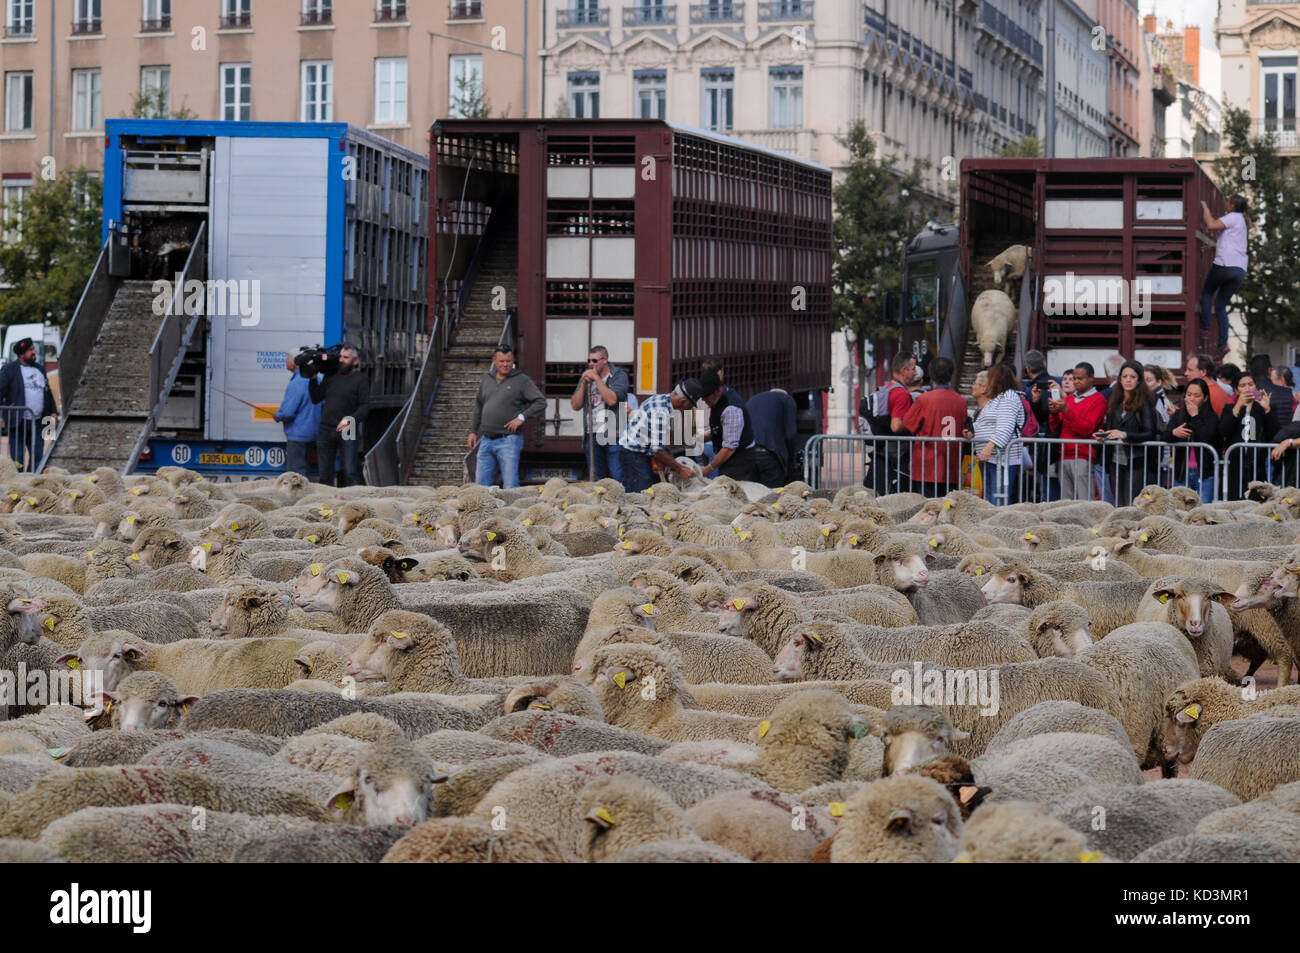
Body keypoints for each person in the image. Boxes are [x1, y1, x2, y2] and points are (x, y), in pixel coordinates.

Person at [466, 345, 545, 490]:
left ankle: (511, 512)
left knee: (510, 486)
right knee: (480, 487)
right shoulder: (486, 379)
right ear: (494, 361)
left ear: (513, 360)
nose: (505, 364)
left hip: (509, 440)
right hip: (486, 440)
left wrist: (521, 417)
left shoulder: (522, 380)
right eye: (502, 361)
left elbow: (541, 402)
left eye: (508, 361)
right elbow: (478, 405)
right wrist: (472, 431)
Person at [901, 356, 969, 498]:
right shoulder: (961, 401)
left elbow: (908, 424)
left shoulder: (924, 399)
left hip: (927, 465)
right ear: (951, 375)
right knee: (948, 505)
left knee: (927, 507)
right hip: (952, 465)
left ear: (931, 375)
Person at [618, 379, 700, 493]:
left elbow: (654, 440)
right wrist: (679, 468)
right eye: (690, 405)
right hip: (633, 454)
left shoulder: (660, 399)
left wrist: (669, 460)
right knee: (643, 494)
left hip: (634, 451)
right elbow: (656, 450)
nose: (689, 409)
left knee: (639, 490)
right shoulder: (661, 412)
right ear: (683, 401)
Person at [308, 345, 370, 487]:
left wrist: (350, 420)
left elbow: (365, 406)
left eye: (345, 357)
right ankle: (326, 506)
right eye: (340, 356)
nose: (341, 360)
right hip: (326, 428)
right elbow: (316, 398)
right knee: (324, 474)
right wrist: (312, 379)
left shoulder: (361, 379)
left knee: (350, 472)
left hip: (348, 429)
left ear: (355, 361)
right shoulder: (330, 376)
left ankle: (354, 505)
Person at [1098, 359, 1157, 508]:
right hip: (1115, 460)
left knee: (1133, 504)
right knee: (1119, 503)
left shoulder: (1145, 402)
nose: (1128, 380)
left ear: (1139, 380)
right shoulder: (1114, 400)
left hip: (1136, 460)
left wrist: (1124, 435)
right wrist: (1103, 435)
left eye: (1132, 377)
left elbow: (1150, 433)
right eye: (1124, 376)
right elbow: (1111, 428)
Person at [570, 345, 629, 484]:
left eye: (595, 361)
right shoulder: (587, 377)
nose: (591, 364)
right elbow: (575, 405)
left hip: (613, 433)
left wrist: (597, 379)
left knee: (616, 475)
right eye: (589, 361)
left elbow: (612, 400)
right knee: (597, 478)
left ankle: (619, 504)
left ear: (605, 360)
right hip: (592, 434)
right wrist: (584, 383)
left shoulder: (618, 375)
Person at [1199, 194, 1248, 359]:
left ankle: (1205, 328)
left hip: (1225, 265)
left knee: (1207, 292)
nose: (1227, 204)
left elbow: (1211, 224)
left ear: (1233, 205)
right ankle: (1222, 344)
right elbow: (1229, 243)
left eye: (1229, 202)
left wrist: (1205, 208)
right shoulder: (1241, 222)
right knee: (1221, 306)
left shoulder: (1233, 217)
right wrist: (1211, 248)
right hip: (1239, 270)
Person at [1049, 362, 1106, 501]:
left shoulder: (1099, 400)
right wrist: (1054, 412)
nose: (1076, 382)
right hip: (1064, 454)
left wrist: (1066, 411)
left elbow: (1087, 429)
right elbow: (1054, 427)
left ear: (1091, 378)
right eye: (1074, 378)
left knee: (1085, 501)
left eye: (1080, 378)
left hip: (1083, 455)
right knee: (1066, 502)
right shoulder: (1068, 399)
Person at [861, 352, 916, 494]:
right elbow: (896, 425)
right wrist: (913, 425)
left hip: (882, 453)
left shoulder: (888, 387)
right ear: (904, 370)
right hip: (894, 457)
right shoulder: (902, 394)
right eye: (913, 369)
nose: (915, 373)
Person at [0, 337, 56, 472]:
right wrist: (1, 416)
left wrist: (53, 411)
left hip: (38, 421)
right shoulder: (9, 370)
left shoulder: (40, 369)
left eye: (33, 349)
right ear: (21, 353)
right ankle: (18, 485)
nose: (34, 352)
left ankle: (32, 482)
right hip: (18, 422)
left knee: (37, 455)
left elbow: (47, 391)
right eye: (30, 350)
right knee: (17, 458)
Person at [973, 363, 1025, 506]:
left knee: (998, 498)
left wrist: (989, 447)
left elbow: (1006, 426)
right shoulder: (996, 399)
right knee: (990, 497)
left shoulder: (1009, 397)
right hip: (992, 457)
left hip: (1001, 458)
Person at [1219, 370, 1276, 500]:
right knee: (1235, 500)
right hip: (1235, 463)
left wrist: (1267, 410)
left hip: (1257, 463)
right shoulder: (1230, 408)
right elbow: (1223, 431)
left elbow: (1273, 433)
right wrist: (1238, 407)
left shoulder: (1261, 407)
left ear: (1256, 386)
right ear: (1236, 390)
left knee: (1257, 500)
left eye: (1250, 384)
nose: (1247, 388)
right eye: (1242, 385)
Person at [1163, 378, 1220, 504]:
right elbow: (1165, 437)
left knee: (1203, 509)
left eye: (1196, 395)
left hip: (1204, 473)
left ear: (1205, 398)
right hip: (1182, 471)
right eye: (1188, 395)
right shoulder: (1179, 415)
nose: (1191, 399)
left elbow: (1205, 436)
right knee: (1180, 508)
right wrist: (1174, 433)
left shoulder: (1212, 417)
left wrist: (1195, 416)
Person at [698, 370, 758, 481]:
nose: (704, 400)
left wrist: (709, 468)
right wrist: (704, 437)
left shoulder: (731, 409)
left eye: (707, 396)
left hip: (739, 460)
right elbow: (723, 429)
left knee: (731, 492)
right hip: (728, 455)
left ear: (718, 390)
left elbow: (729, 448)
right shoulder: (717, 401)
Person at [273, 351, 322, 481]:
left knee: (296, 476)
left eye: (287, 358)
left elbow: (288, 413)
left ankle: (299, 500)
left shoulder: (297, 383)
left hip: (298, 436)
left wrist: (277, 415)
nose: (285, 361)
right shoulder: (319, 379)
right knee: (305, 471)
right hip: (314, 434)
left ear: (294, 363)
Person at [747, 387, 799, 488]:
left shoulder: (753, 399)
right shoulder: (786, 399)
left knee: (752, 494)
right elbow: (790, 434)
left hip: (748, 454)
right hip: (769, 453)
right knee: (772, 495)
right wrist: (791, 460)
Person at [1250, 354, 1293, 432]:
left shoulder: (1249, 394)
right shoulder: (1287, 393)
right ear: (1269, 371)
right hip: (1284, 440)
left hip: (1257, 441)